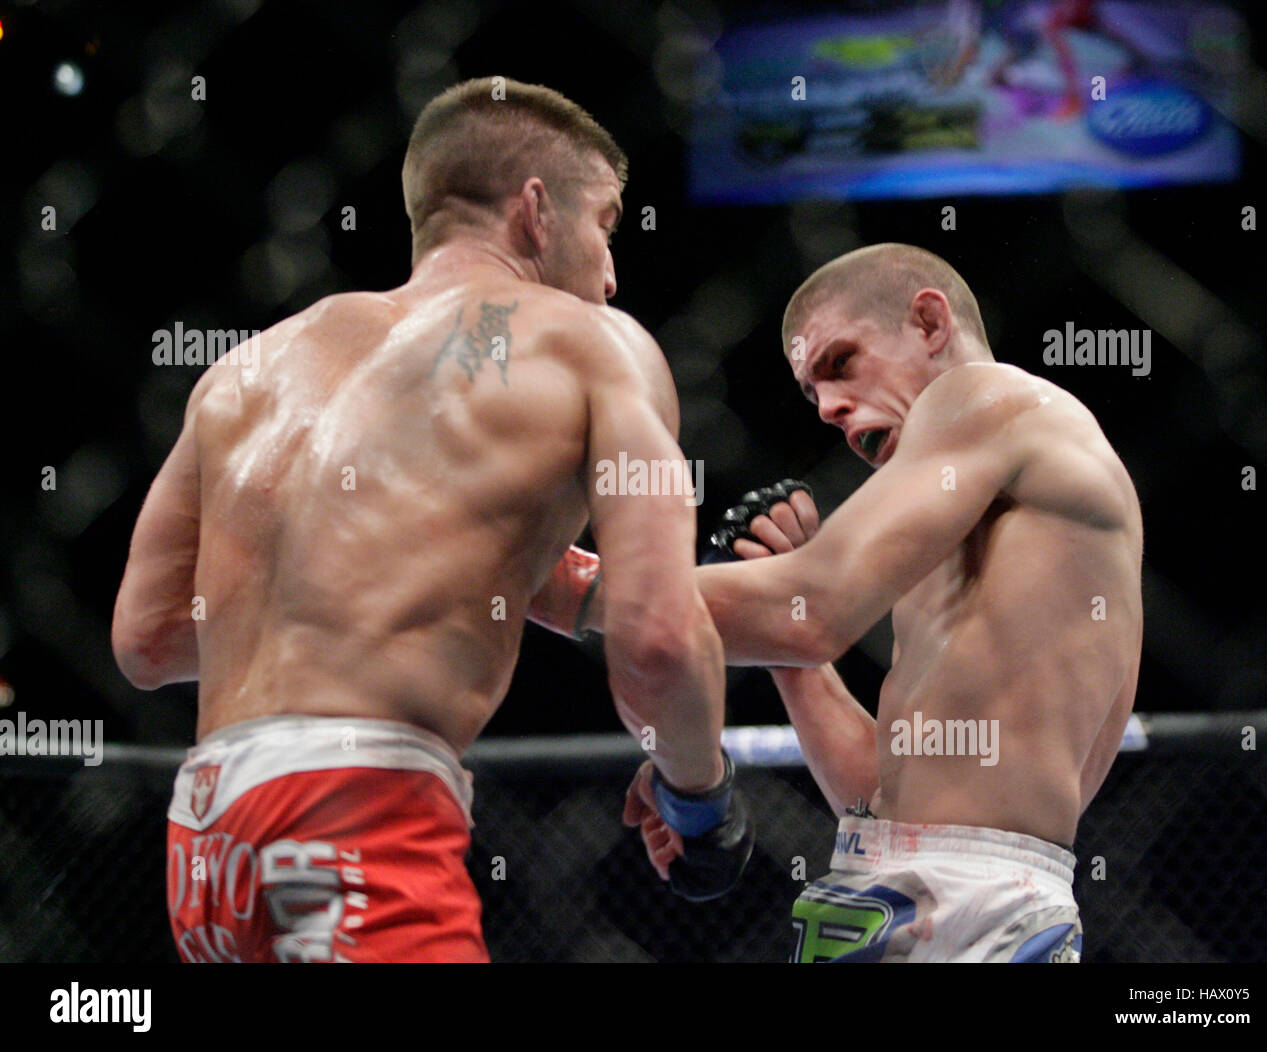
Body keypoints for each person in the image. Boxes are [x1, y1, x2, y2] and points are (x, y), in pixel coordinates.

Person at [111, 77, 750, 963]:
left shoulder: (246, 371)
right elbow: (658, 638)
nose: (611, 271)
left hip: (207, 841)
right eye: (606, 224)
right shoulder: (591, 343)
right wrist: (700, 796)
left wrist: (406, 595)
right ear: (536, 210)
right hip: (358, 814)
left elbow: (146, 639)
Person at [552, 243, 1144, 962]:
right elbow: (888, 792)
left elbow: (816, 607)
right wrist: (791, 657)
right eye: (812, 394)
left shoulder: (990, 398)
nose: (831, 408)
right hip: (907, 885)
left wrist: (545, 580)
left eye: (841, 364)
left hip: (973, 902)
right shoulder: (964, 537)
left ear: (929, 323)